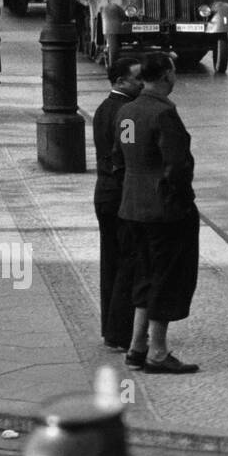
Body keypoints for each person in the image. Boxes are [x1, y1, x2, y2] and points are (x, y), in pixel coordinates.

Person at [113, 52, 201, 374]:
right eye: (174, 71)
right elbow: (177, 165)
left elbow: (119, 156)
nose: (175, 77)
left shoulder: (127, 111)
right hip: (164, 211)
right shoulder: (164, 114)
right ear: (165, 75)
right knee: (166, 278)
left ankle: (137, 347)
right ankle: (158, 352)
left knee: (143, 276)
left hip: (131, 207)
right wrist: (183, 199)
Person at [93, 55, 143, 350]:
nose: (142, 82)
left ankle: (110, 327)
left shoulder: (104, 107)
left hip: (104, 193)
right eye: (137, 78)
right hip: (121, 195)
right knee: (128, 263)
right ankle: (121, 332)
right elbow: (126, 154)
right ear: (121, 80)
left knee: (110, 262)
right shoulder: (126, 111)